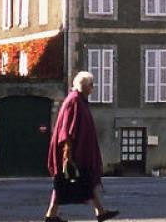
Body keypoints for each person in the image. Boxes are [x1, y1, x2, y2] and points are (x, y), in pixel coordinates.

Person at [44, 71, 117, 222]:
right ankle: (51, 215)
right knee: (64, 182)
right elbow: (67, 130)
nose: (93, 88)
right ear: (83, 86)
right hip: (74, 153)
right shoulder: (74, 101)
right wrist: (68, 154)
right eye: (91, 85)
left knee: (84, 182)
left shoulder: (80, 100)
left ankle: (100, 212)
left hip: (79, 152)